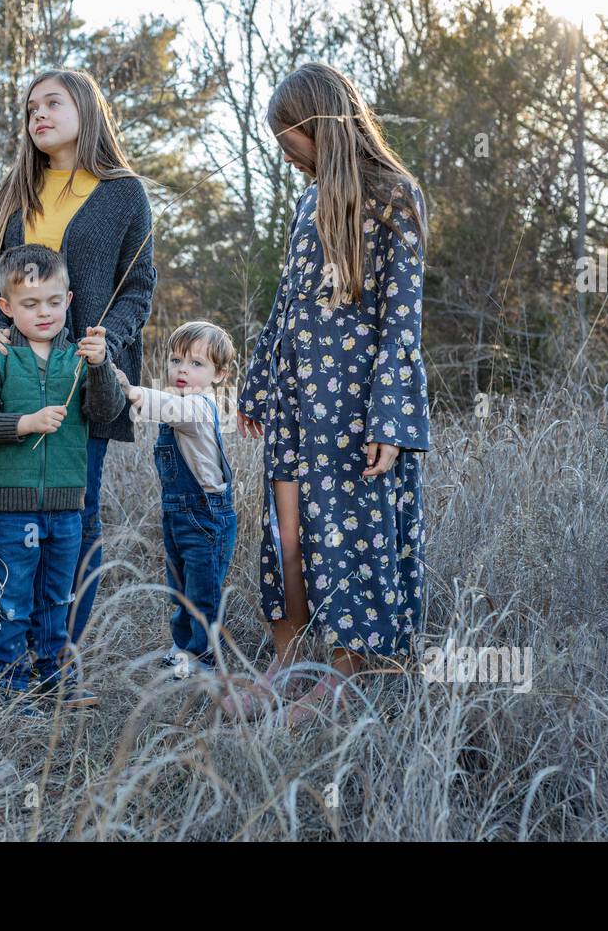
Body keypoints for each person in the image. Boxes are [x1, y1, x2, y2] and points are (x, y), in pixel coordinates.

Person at [230, 62, 432, 725]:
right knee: (286, 538)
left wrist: (392, 416)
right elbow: (287, 304)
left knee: (349, 539)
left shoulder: (395, 196)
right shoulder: (303, 202)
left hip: (355, 408)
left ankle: (347, 673)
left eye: (293, 141)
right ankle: (287, 659)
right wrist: (255, 383)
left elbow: (402, 318)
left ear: (323, 127)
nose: (287, 155)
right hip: (293, 398)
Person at [0, 68, 156, 656]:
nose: (38, 116)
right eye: (30, 109)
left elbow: (139, 285)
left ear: (86, 109)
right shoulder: (11, 193)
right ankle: (12, 660)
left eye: (52, 103)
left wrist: (112, 339)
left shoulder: (124, 192)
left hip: (86, 378)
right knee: (15, 515)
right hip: (17, 379)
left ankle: (60, 658)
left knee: (78, 519)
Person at [0, 244, 125, 710]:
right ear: (5, 307)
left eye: (54, 302)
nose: (44, 313)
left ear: (69, 300)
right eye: (30, 304)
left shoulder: (79, 357)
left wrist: (101, 365)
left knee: (59, 597)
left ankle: (55, 675)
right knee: (13, 598)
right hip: (11, 512)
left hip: (66, 508)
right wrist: (25, 423)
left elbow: (105, 412)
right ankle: (11, 686)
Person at [114, 322, 238, 678]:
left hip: (205, 516)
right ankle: (183, 647)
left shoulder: (199, 407)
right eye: (176, 360)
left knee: (203, 591)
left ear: (220, 374)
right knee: (180, 587)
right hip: (179, 515)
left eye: (197, 364)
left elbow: (165, 406)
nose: (183, 369)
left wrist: (133, 391)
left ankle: (206, 659)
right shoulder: (179, 402)